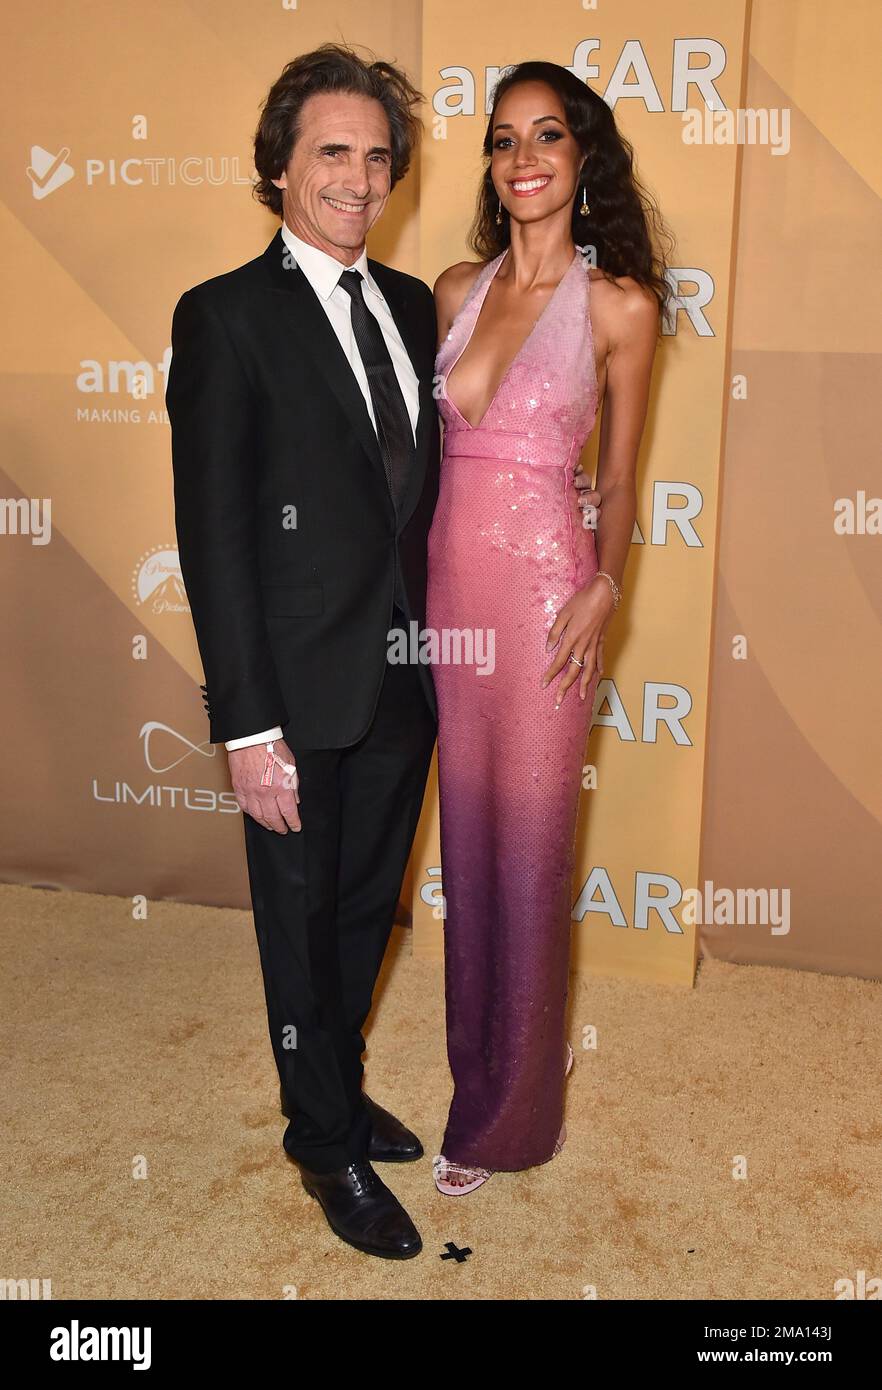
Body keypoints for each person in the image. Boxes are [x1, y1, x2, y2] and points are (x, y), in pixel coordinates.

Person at [427, 61, 670, 1194]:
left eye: (549, 137)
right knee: (465, 848)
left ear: (583, 158)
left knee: (525, 853)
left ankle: (513, 1117)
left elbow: (618, 483)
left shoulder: (617, 303)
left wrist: (606, 588)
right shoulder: (453, 288)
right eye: (505, 138)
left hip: (543, 604)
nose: (524, 159)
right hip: (447, 598)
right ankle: (478, 1071)